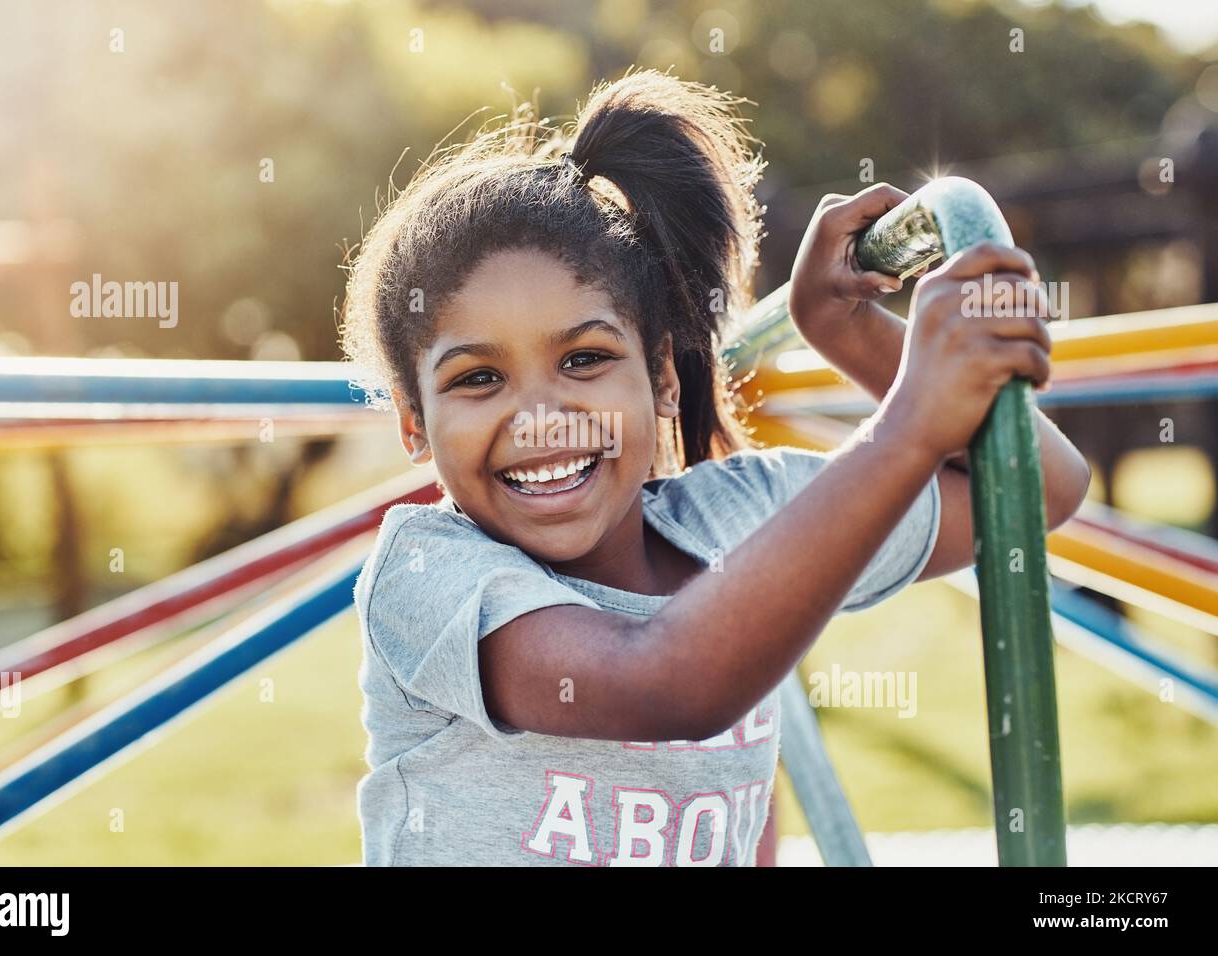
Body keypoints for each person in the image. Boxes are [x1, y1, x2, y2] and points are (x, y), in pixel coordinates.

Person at [338, 68, 1091, 866]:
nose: (541, 418)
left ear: (663, 376)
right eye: (478, 379)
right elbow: (668, 684)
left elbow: (1038, 486)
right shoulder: (426, 578)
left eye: (586, 358)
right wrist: (908, 426)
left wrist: (850, 335)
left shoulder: (736, 517)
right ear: (414, 421)